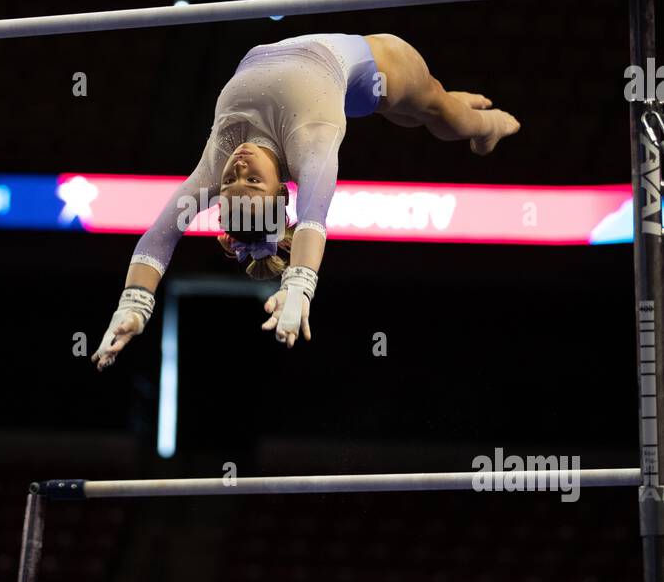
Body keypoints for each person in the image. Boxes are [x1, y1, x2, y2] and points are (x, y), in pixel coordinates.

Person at [92, 29, 519, 369]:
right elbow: (314, 218)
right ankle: (486, 127)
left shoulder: (212, 168)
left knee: (421, 111)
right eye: (253, 180)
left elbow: (160, 236)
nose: (239, 164)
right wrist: (299, 287)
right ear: (282, 190)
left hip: (334, 83)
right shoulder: (310, 145)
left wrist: (133, 306)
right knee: (439, 111)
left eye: (232, 180)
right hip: (375, 65)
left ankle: (445, 104)